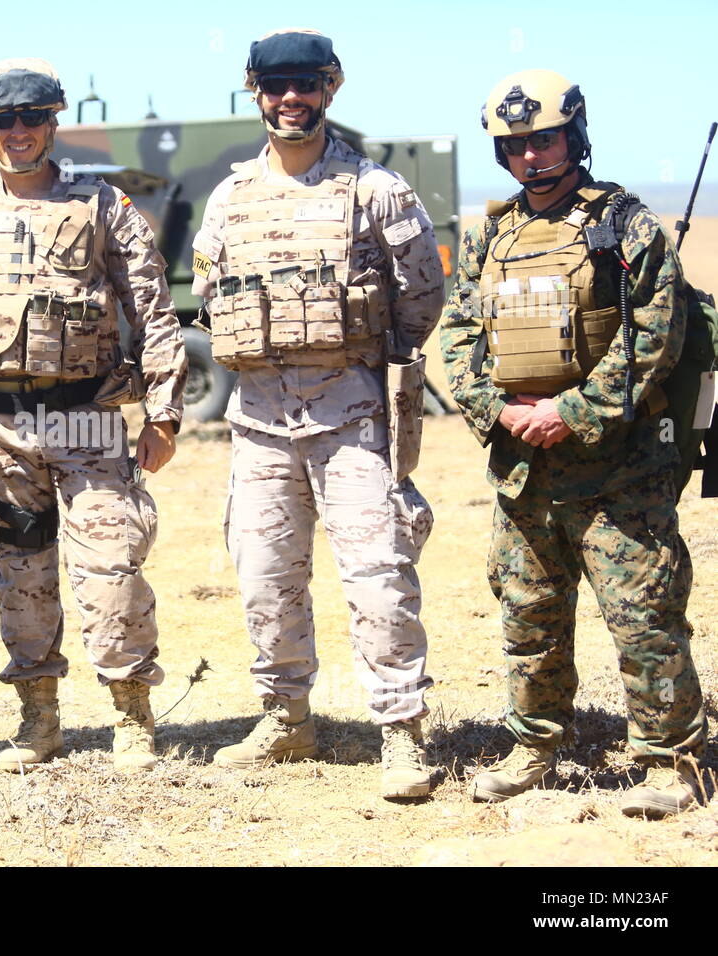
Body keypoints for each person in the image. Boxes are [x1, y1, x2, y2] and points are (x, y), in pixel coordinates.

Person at [440, 69, 707, 817]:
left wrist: (571, 411)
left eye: (544, 139)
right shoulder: (491, 233)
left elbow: (655, 336)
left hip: (619, 474)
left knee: (644, 617)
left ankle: (671, 761)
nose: (530, 155)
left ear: (575, 135)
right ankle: (533, 748)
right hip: (525, 471)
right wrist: (499, 411)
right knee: (529, 618)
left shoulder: (627, 225)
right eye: (514, 144)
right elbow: (458, 335)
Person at [192, 29, 444, 799]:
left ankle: (400, 732)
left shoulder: (377, 191)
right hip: (261, 423)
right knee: (265, 577)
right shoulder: (231, 196)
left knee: (379, 577)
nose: (289, 98)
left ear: (331, 87)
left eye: (305, 84)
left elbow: (421, 296)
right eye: (274, 86)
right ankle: (285, 717)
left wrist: (365, 362)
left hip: (352, 418)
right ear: (255, 91)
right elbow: (209, 294)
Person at [0, 58, 187, 773]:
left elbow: (154, 311)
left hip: (86, 420)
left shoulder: (103, 206)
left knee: (112, 568)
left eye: (31, 118)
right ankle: (38, 721)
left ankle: (132, 715)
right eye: (3, 122)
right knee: (21, 574)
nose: (18, 133)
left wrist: (163, 411)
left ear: (53, 122)